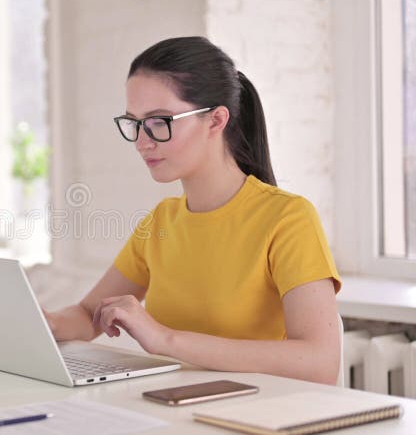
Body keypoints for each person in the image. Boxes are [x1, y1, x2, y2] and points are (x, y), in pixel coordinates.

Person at [43, 36, 342, 385]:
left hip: (256, 412)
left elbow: (320, 362)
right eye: (134, 123)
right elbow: (86, 315)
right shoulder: (161, 221)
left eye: (159, 121)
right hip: (170, 407)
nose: (142, 141)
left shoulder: (288, 218)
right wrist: (45, 322)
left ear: (216, 121)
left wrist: (166, 340)